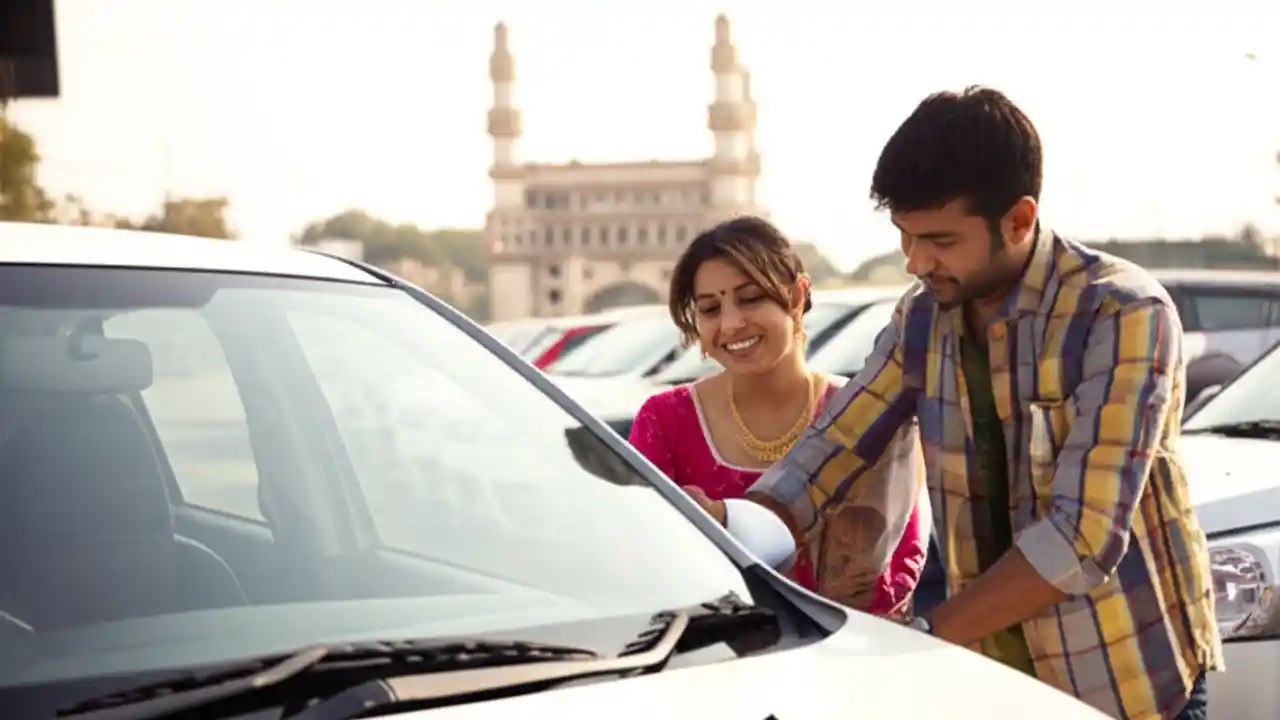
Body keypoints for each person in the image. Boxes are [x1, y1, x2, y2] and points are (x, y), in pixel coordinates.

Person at [687, 87, 1222, 720]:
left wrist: (925, 639)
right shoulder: (924, 318)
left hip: (1122, 680)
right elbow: (831, 450)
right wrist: (727, 521)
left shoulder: (1121, 312)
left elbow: (1082, 537)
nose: (916, 261)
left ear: (1019, 221)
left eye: (939, 239)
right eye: (905, 237)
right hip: (991, 685)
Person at [629, 216, 930, 615]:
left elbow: (900, 564)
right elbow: (641, 559)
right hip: (709, 659)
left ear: (796, 295)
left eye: (751, 298)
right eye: (710, 308)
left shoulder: (864, 411)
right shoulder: (665, 421)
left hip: (846, 653)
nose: (732, 323)